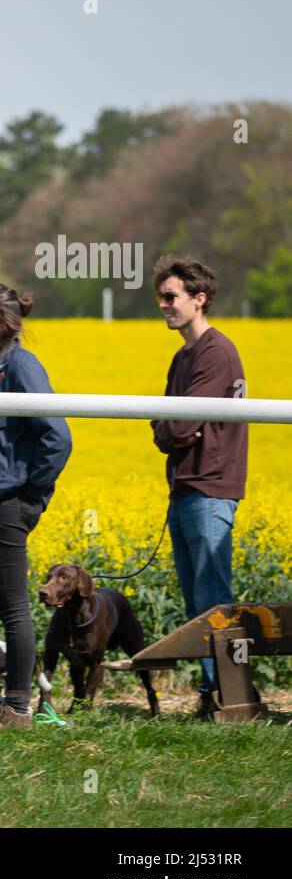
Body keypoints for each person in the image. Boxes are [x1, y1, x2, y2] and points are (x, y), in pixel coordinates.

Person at [0, 284, 71, 728]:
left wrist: (29, 495)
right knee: (9, 606)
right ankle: (18, 703)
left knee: (15, 610)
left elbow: (58, 437)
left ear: (3, 322)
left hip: (9, 503)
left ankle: (19, 709)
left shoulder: (21, 365)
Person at [149, 256, 247, 720]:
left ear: (199, 299)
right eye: (161, 297)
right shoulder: (182, 356)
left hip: (210, 488)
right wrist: (175, 430)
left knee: (213, 601)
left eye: (171, 297)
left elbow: (179, 421)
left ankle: (231, 698)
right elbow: (165, 427)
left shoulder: (215, 352)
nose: (163, 305)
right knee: (197, 605)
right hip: (186, 487)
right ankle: (213, 696)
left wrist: (175, 428)